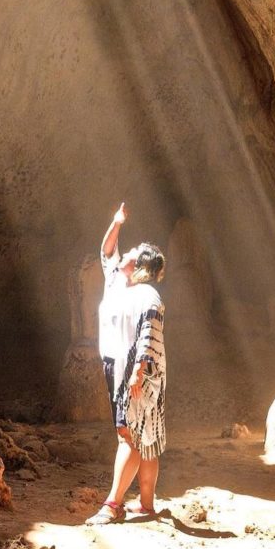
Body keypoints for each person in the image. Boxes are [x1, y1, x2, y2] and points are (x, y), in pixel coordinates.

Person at [86, 202, 167, 525]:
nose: (124, 255)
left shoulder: (147, 296)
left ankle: (112, 505)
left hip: (136, 373)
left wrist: (136, 375)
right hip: (117, 366)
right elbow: (106, 252)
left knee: (129, 435)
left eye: (131, 254)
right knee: (144, 437)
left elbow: (149, 336)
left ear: (141, 268)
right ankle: (146, 505)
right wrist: (116, 222)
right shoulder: (117, 282)